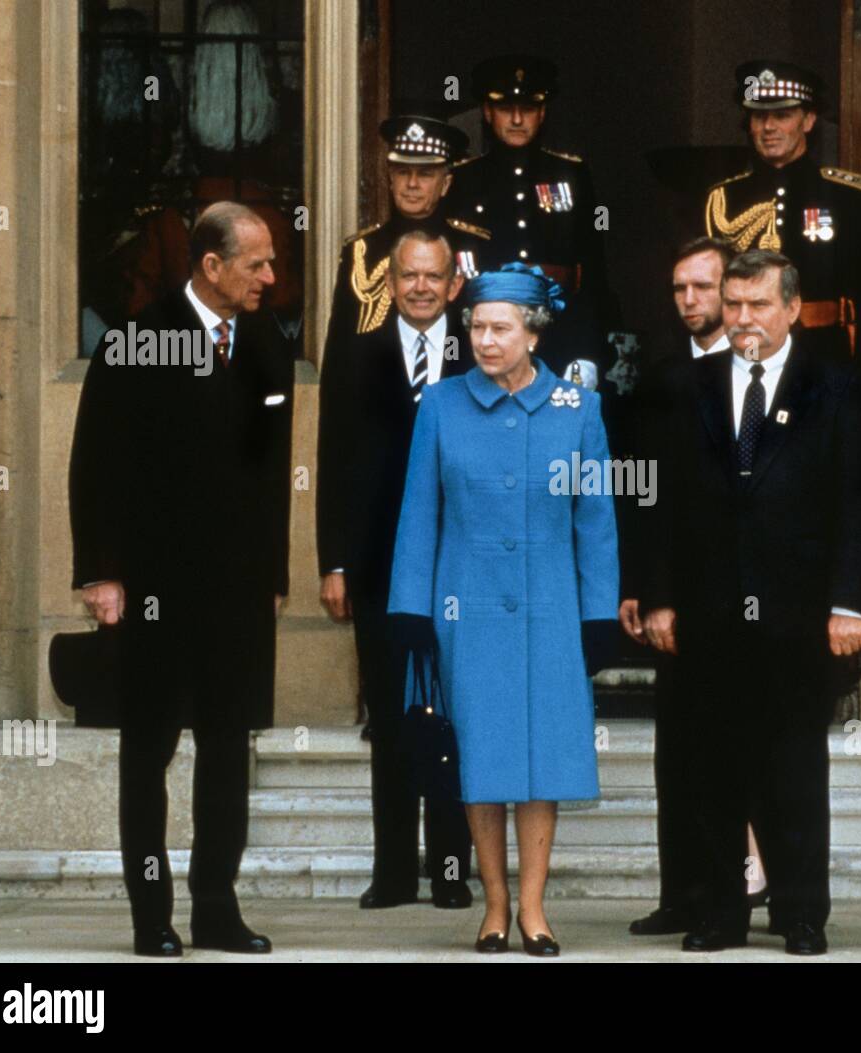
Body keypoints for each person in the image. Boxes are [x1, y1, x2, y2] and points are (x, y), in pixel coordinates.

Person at [68, 202, 293, 956]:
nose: (270, 276)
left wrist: (271, 573)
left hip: (236, 591)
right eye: (257, 263)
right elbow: (94, 465)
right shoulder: (136, 340)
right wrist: (102, 577)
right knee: (150, 750)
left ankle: (216, 908)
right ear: (211, 266)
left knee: (229, 748)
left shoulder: (264, 340)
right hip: (155, 589)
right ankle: (151, 913)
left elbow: (269, 474)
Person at [638, 250, 861, 955]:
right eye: (733, 304)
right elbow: (655, 498)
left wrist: (850, 603)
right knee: (712, 767)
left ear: (793, 308)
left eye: (758, 305)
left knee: (794, 768)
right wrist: (657, 598)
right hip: (707, 613)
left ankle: (800, 912)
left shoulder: (836, 384)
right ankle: (720, 912)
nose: (742, 319)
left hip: (798, 616)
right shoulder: (685, 384)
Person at [387, 263, 620, 956]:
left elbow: (595, 520)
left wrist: (599, 614)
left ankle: (534, 908)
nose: (484, 341)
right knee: (482, 757)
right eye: (476, 327)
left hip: (551, 605)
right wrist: (411, 611)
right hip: (468, 607)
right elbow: (418, 512)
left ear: (533, 332)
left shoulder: (579, 410)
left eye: (500, 328)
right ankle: (492, 905)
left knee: (542, 759)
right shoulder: (441, 405)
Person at [316, 229, 475, 910]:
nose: (419, 287)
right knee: (390, 712)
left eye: (431, 276)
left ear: (453, 283)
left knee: (451, 716)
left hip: (462, 566)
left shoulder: (481, 352)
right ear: (389, 280)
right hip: (380, 565)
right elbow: (334, 458)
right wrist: (335, 562)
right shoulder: (358, 354)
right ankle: (391, 872)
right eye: (407, 275)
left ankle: (448, 869)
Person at [620, 236, 731, 938]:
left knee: (741, 751)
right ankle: (681, 893)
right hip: (675, 598)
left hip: (751, 600)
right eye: (679, 289)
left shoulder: (769, 375)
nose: (689, 300)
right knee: (679, 752)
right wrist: (643, 588)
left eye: (702, 287)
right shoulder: (657, 381)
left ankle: (749, 892)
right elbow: (640, 495)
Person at [703, 60, 861, 397]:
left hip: (825, 362)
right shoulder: (725, 199)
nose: (769, 127)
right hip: (746, 364)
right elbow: (710, 298)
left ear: (808, 120)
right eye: (759, 117)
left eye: (782, 116)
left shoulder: (847, 197)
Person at [448, 55, 614, 381]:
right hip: (482, 340)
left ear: (542, 113)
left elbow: (592, 274)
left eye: (527, 109)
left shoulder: (572, 174)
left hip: (558, 334)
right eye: (505, 109)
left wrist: (589, 352)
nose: (516, 119)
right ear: (486, 112)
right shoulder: (463, 180)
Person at [325, 107, 490, 356]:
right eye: (403, 172)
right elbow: (340, 348)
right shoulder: (361, 250)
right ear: (390, 179)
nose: (412, 184)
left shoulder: (473, 246)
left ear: (445, 184)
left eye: (425, 174)